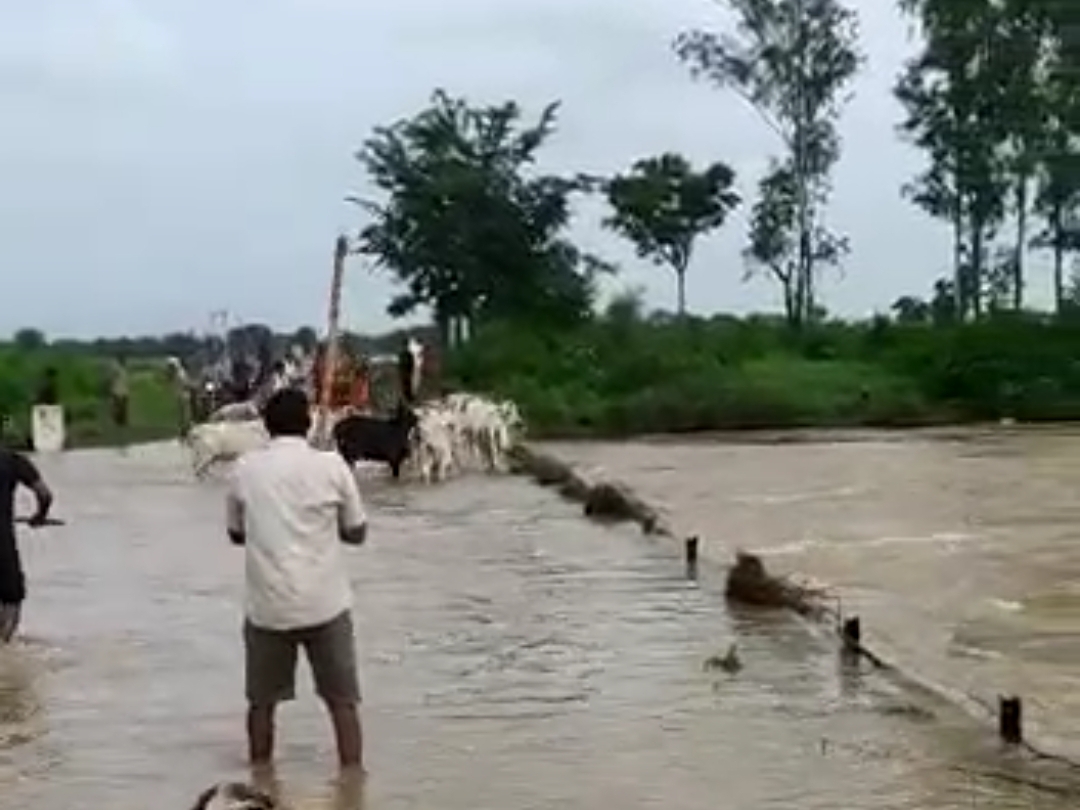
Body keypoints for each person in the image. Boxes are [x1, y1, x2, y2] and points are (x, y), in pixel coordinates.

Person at [225, 387, 368, 770]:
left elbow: (236, 534)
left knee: (261, 704)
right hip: (326, 605)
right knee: (343, 703)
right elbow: (357, 532)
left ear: (266, 426)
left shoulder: (244, 469)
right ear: (308, 424)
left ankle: (260, 779)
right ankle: (352, 783)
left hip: (268, 608)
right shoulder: (333, 467)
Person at [0, 428, 54, 643]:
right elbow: (44, 494)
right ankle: (4, 648)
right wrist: (40, 516)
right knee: (12, 599)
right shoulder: (13, 461)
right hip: (2, 546)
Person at [108, 356, 129, 429]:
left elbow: (113, 379)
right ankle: (122, 420)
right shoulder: (125, 371)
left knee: (117, 406)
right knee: (122, 407)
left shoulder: (117, 370)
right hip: (123, 391)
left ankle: (118, 420)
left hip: (117, 391)